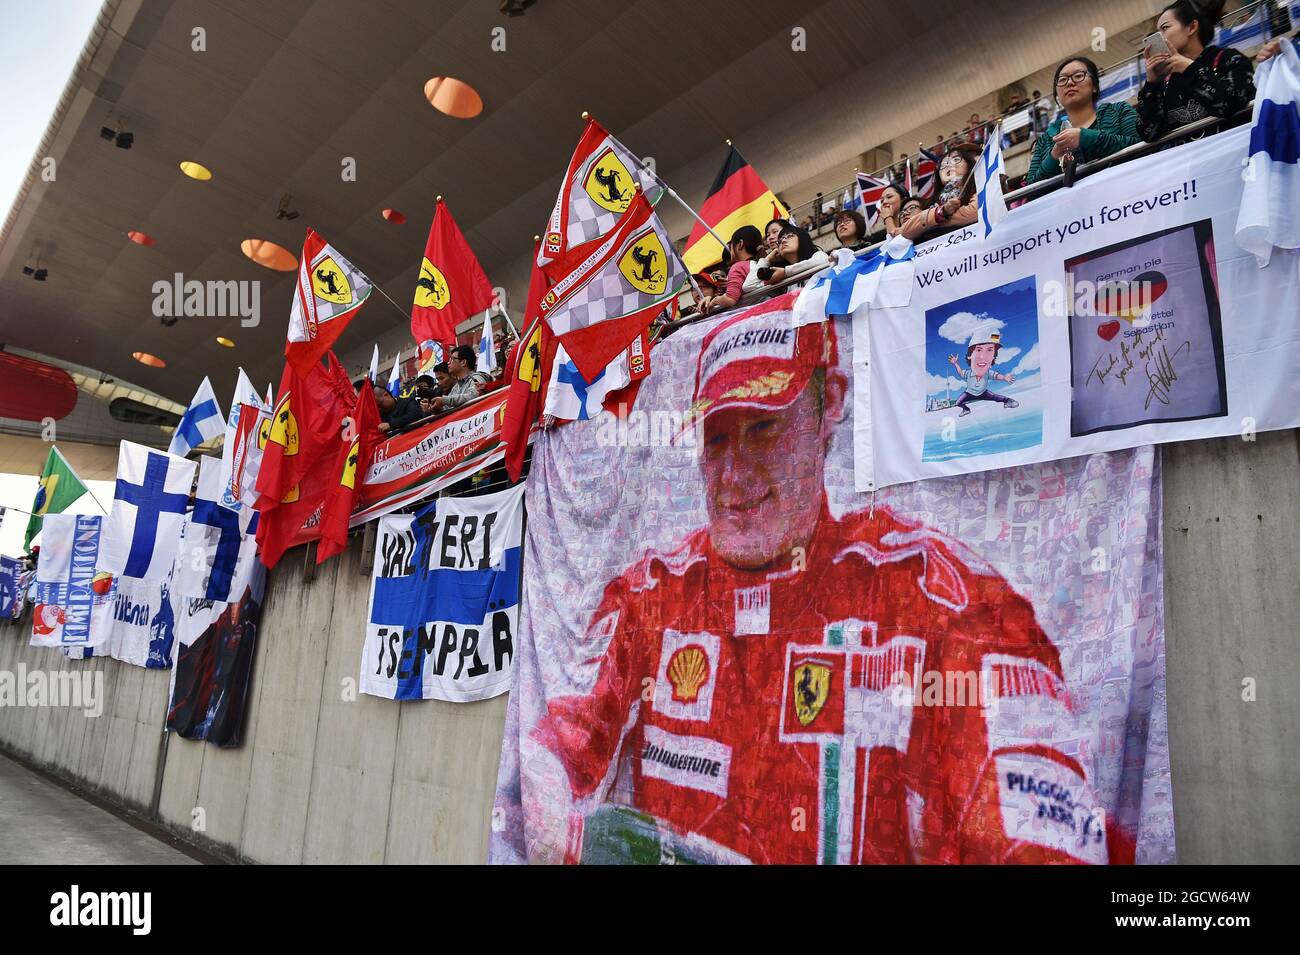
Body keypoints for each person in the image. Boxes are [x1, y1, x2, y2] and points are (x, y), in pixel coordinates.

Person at [534, 305, 1121, 865]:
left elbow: (1040, 834)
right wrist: (556, 818)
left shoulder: (942, 601)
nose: (734, 476)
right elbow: (554, 751)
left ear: (830, 405)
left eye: (762, 428)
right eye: (716, 439)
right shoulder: (651, 597)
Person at [1136, 0, 1255, 142]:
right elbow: (1148, 134)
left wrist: (1189, 68)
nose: (1159, 37)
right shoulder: (1165, 80)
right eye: (1157, 32)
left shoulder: (1228, 59)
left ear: (1192, 27)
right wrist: (1151, 85)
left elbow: (1230, 104)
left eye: (1165, 28)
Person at [1026, 57, 1140, 184]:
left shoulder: (1119, 112)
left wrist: (1085, 137)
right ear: (1057, 94)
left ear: (1095, 86)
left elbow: (1142, 145)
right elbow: (1031, 187)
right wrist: (1054, 156)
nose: (1069, 83)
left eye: (1078, 76)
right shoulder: (1045, 140)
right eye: (1062, 80)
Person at [901, 142, 981, 241]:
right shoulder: (929, 202)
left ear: (969, 165)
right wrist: (942, 212)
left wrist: (933, 221)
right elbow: (906, 230)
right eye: (943, 164)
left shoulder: (979, 185)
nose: (949, 165)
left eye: (956, 159)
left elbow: (975, 212)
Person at [701, 225, 764, 316]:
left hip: (751, 315)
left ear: (740, 244)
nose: (730, 251)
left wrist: (715, 300)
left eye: (730, 246)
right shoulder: (761, 263)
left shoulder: (737, 267)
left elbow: (730, 299)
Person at [759, 223, 830, 290]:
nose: (783, 241)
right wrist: (767, 259)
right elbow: (755, 286)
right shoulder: (782, 278)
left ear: (802, 238)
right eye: (779, 241)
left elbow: (823, 261)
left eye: (789, 236)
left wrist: (785, 272)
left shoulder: (818, 255)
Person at [428, 345, 492, 413]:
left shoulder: (477, 377)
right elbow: (447, 407)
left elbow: (474, 395)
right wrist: (434, 408)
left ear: (463, 362)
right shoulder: (456, 387)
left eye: (452, 359)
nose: (448, 363)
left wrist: (445, 400)